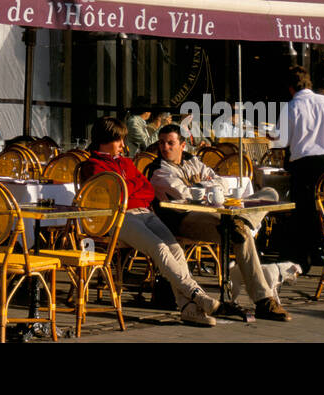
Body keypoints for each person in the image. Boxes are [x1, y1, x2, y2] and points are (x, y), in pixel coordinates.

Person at [78, 117, 221, 327]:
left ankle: (187, 308)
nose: (123, 145)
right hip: (117, 218)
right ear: (105, 140)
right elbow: (115, 197)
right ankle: (195, 293)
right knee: (160, 248)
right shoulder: (93, 166)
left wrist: (128, 189)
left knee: (175, 249)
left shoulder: (125, 162)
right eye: (119, 140)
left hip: (142, 212)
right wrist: (130, 189)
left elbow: (147, 190)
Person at [148, 123, 290, 321]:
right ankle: (263, 300)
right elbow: (185, 195)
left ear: (182, 145)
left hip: (213, 213)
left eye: (170, 143)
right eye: (162, 143)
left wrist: (205, 187)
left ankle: (243, 222)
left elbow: (220, 181)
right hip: (182, 219)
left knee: (270, 193)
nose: (165, 147)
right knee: (238, 232)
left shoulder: (192, 161)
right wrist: (208, 188)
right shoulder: (157, 170)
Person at [282, 65, 324, 273]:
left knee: (303, 211)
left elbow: (283, 140)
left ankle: (304, 258)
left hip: (304, 164)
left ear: (291, 88)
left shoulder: (292, 107)